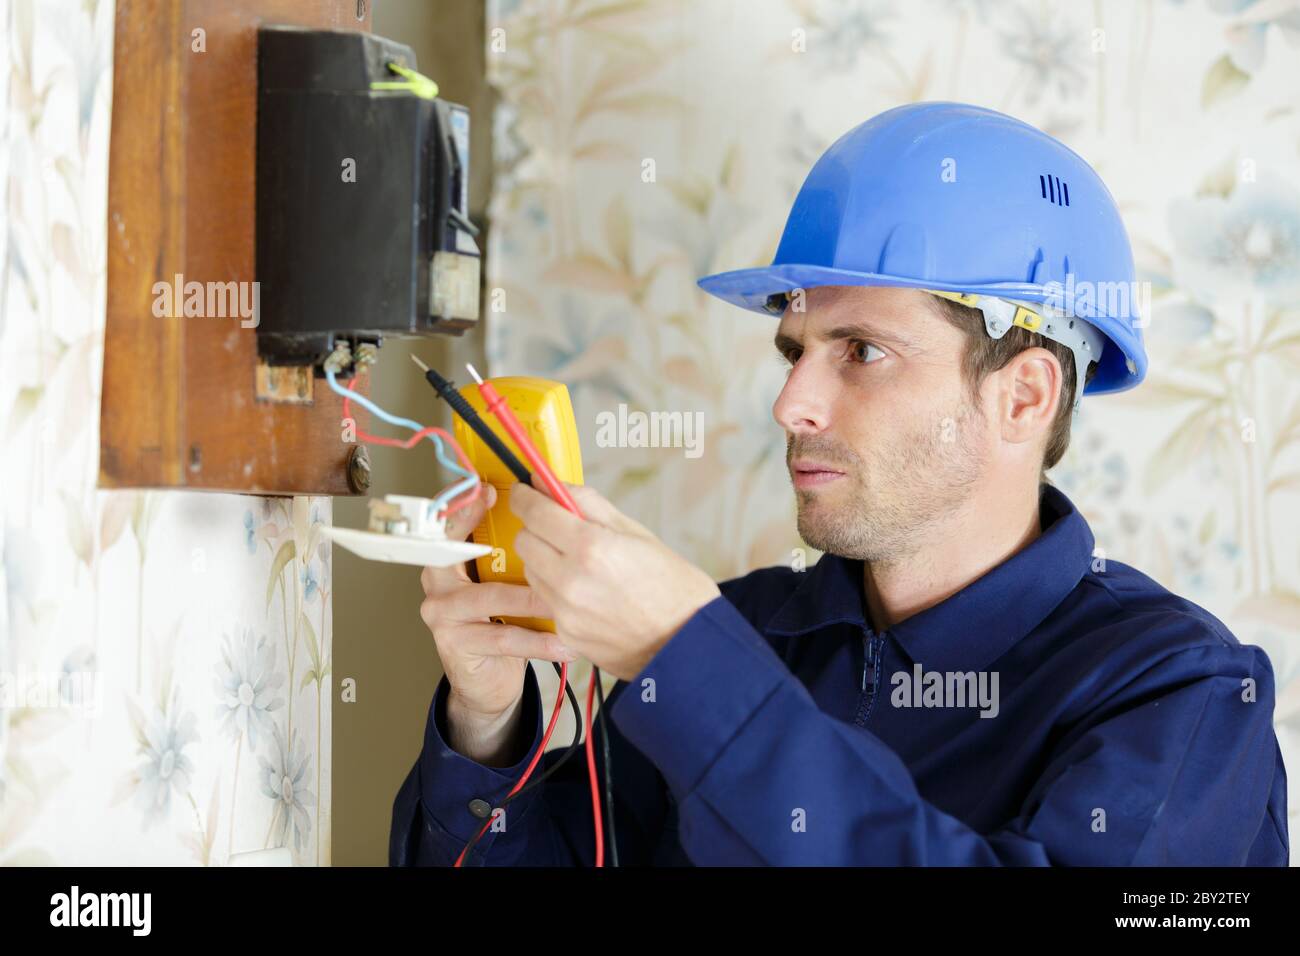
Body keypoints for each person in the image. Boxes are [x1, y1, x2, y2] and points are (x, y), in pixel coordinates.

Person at [390, 102, 1288, 866]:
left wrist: (693, 670)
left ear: (1023, 395)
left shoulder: (1184, 693)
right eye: (794, 352)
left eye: (862, 351)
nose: (791, 404)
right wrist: (488, 719)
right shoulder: (749, 631)